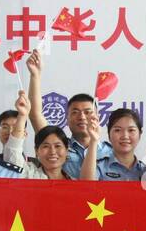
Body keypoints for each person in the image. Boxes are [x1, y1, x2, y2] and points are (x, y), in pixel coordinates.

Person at [25, 50, 112, 178]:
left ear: (98, 117)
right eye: (75, 112)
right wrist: (35, 75)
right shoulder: (58, 146)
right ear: (67, 118)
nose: (82, 117)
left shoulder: (111, 152)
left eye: (87, 112)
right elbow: (35, 114)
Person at [3, 90, 98, 180]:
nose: (52, 151)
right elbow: (12, 155)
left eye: (57, 146)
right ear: (37, 151)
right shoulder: (30, 175)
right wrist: (22, 116)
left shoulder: (74, 184)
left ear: (67, 151)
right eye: (46, 146)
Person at [96, 108, 146, 181]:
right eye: (117, 130)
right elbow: (86, 186)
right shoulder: (98, 167)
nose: (125, 136)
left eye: (131, 130)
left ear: (140, 134)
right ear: (109, 135)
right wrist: (93, 140)